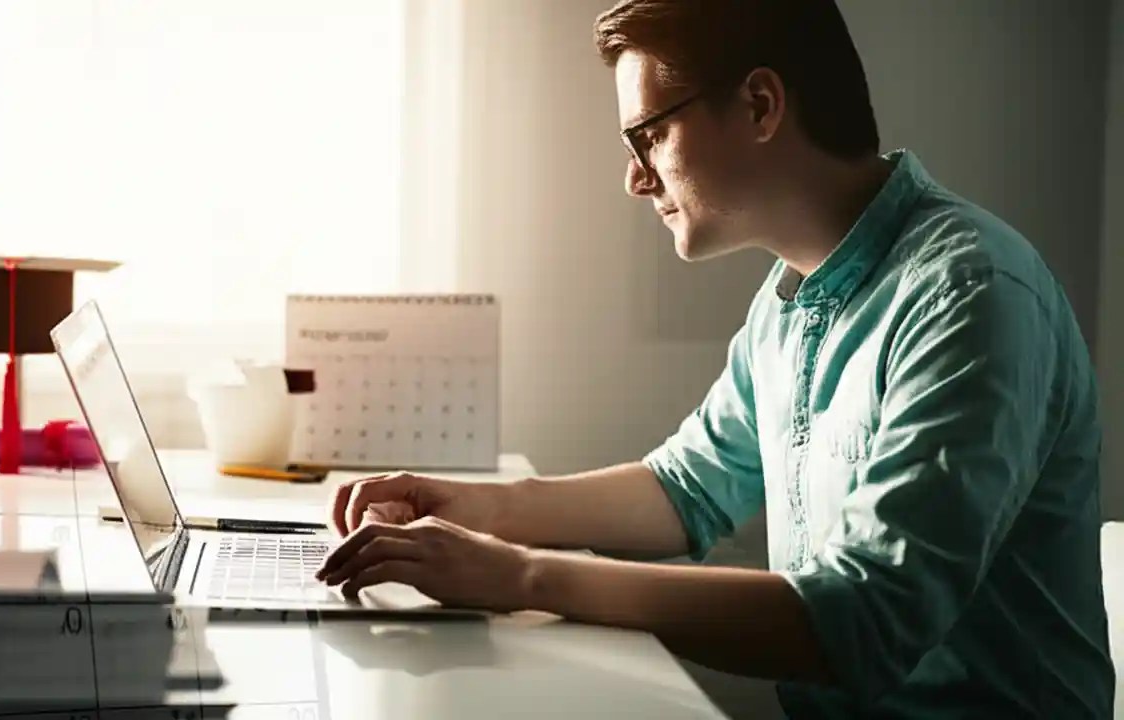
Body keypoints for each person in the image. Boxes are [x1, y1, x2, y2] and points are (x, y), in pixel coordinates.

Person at [315, 0, 1115, 715]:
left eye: (649, 134)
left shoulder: (970, 294)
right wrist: (464, 507)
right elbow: (686, 491)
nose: (635, 178)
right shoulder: (786, 300)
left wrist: (520, 576)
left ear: (761, 104)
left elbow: (864, 619)